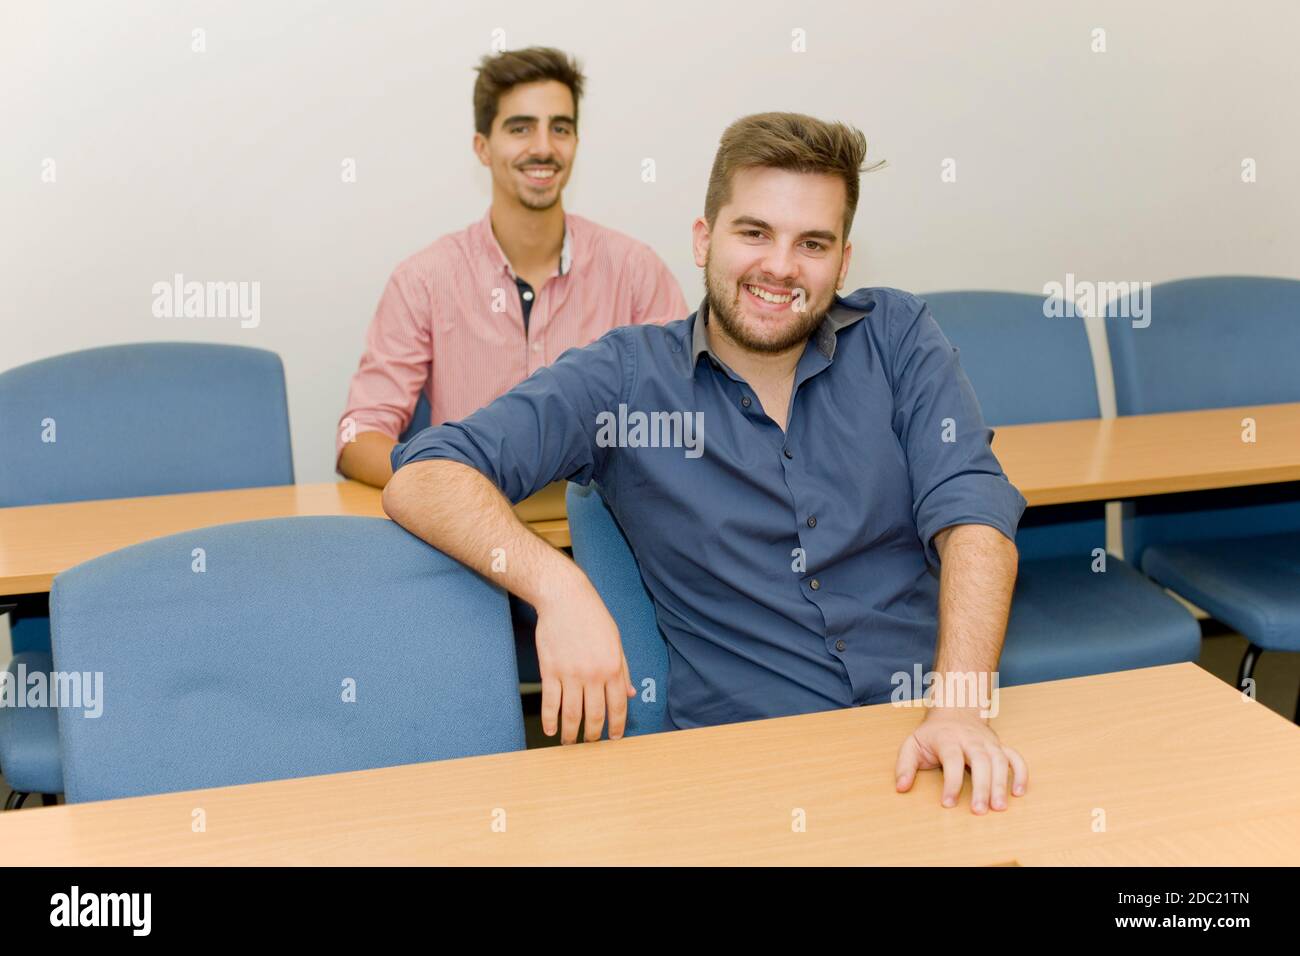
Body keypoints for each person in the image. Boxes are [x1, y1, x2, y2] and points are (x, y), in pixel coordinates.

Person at [384, 112, 1029, 815]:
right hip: (746, 777)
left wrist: (961, 704)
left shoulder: (898, 337)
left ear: (844, 263)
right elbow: (424, 475)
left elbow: (973, 514)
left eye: (811, 243)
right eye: (753, 233)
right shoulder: (625, 381)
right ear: (703, 239)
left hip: (930, 740)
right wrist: (555, 584)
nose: (780, 266)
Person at [336, 46, 686, 486]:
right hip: (465, 539)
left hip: (601, 538)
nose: (543, 147)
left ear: (576, 142)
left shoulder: (637, 273)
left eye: (560, 128)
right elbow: (358, 437)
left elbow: (685, 423)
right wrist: (447, 480)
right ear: (482, 147)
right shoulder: (423, 281)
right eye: (520, 128)